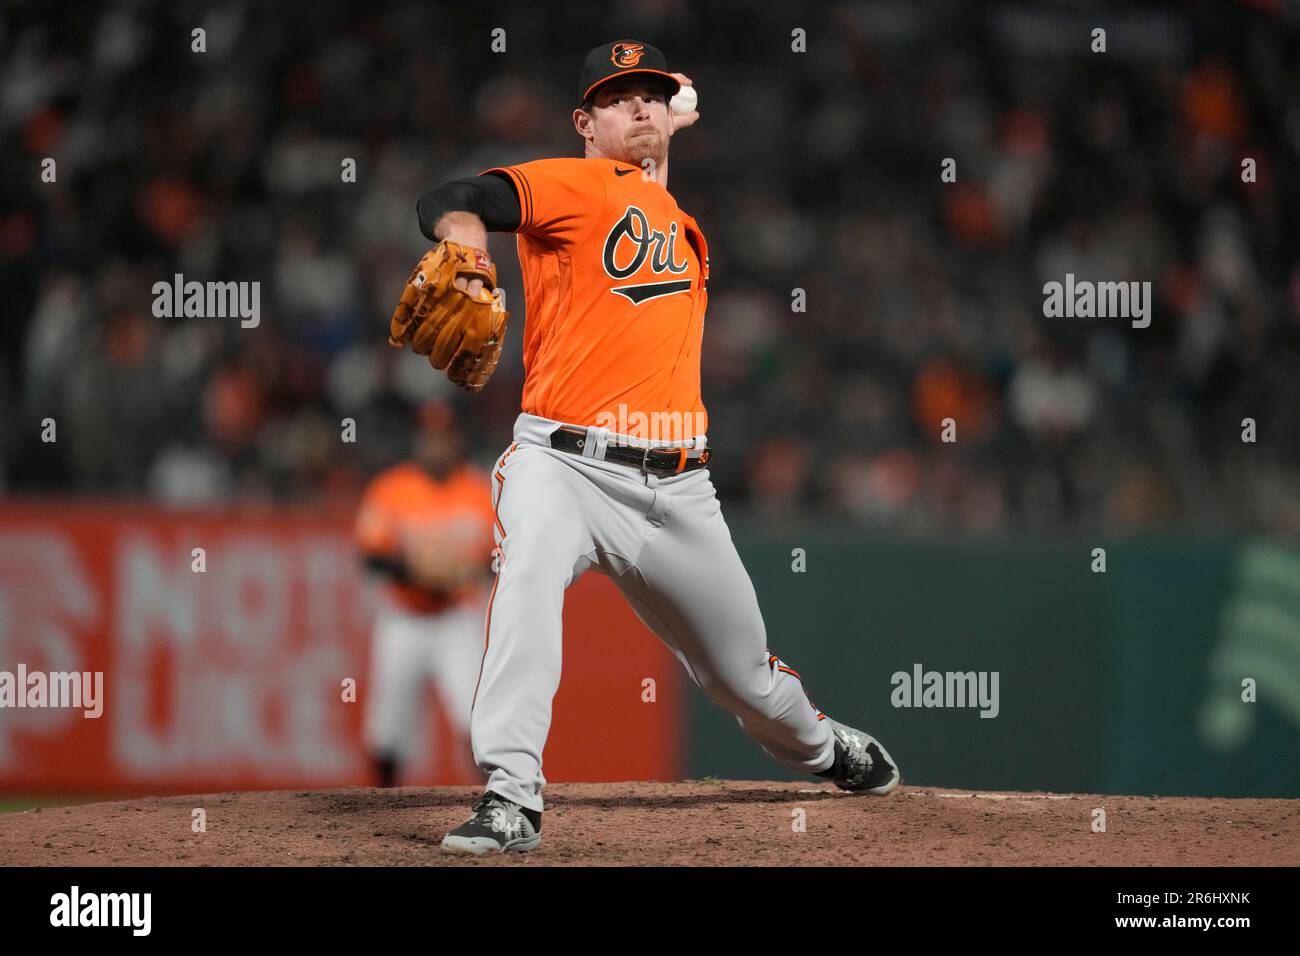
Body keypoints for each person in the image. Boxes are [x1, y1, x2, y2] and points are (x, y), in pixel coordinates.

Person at [413, 40, 900, 855]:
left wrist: (672, 114)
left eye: (648, 95)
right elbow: (454, 194)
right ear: (583, 122)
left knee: (742, 679)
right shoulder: (572, 183)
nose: (637, 107)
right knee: (528, 568)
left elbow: (658, 150)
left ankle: (825, 749)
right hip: (561, 464)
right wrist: (465, 248)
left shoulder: (681, 221)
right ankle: (510, 794)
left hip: (680, 489)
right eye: (616, 97)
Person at [354, 400, 495, 789]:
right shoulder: (391, 489)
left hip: (456, 618)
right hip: (404, 620)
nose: (436, 445)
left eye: (444, 438)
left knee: (476, 723)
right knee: (387, 733)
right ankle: (384, 811)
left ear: (458, 441)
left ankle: (491, 804)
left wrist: (468, 572)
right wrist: (418, 572)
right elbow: (371, 558)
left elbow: (499, 556)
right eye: (429, 437)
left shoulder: (479, 491)